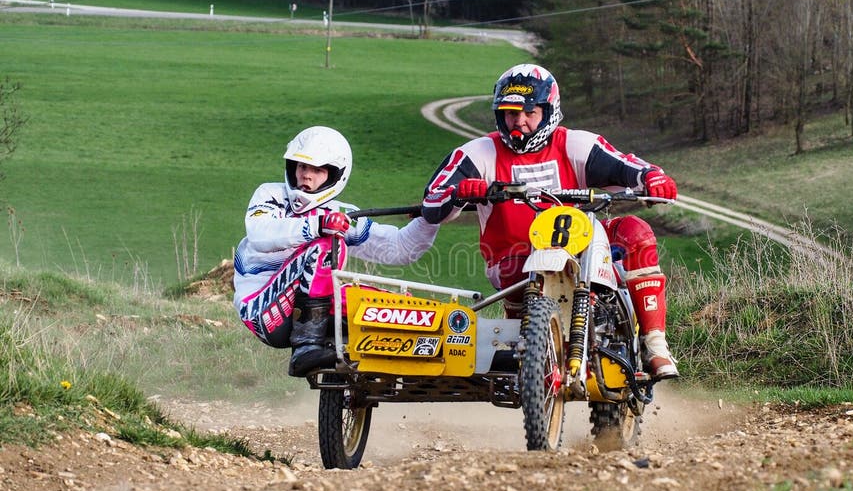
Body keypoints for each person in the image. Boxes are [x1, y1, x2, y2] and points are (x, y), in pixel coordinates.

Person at [421, 64, 680, 380]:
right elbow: (431, 200)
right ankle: (529, 351)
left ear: (549, 110)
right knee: (515, 269)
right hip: (513, 257)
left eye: (530, 112)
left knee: (635, 233)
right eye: (511, 113)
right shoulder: (478, 153)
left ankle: (654, 344)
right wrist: (459, 192)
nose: (520, 121)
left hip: (583, 244)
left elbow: (627, 166)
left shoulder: (575, 144)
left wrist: (652, 177)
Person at [234, 125, 439, 377]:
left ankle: (407, 363)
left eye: (317, 169)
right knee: (328, 244)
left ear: (335, 175)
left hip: (308, 302)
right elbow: (260, 233)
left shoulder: (340, 213)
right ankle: (305, 346)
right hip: (261, 309)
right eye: (302, 167)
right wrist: (318, 226)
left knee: (387, 306)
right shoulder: (270, 194)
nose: (306, 176)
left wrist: (431, 218)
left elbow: (399, 249)